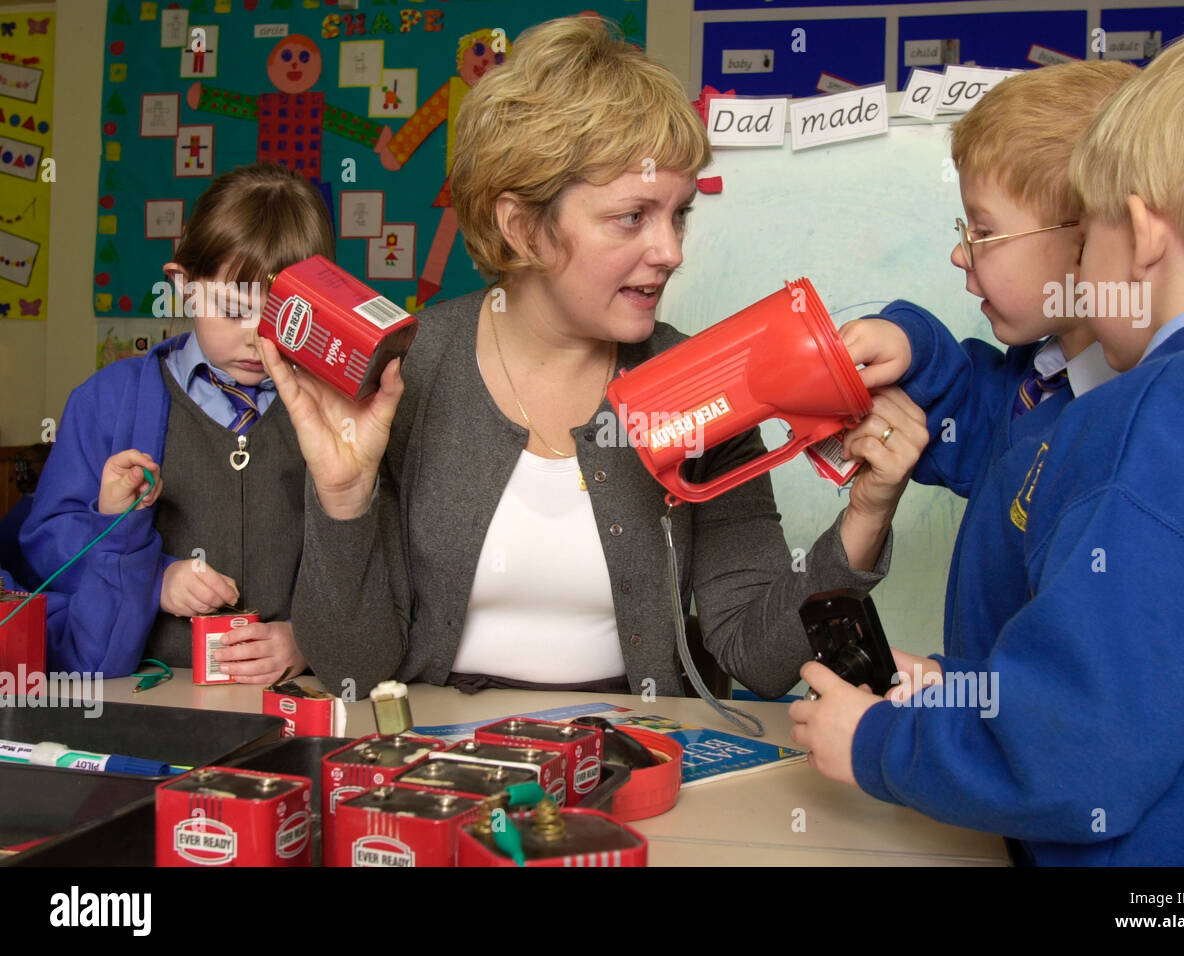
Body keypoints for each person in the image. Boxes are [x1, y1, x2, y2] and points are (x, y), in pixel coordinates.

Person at [263, 16, 927, 700]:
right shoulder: (409, 374)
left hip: (642, 760)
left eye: (679, 215)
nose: (670, 251)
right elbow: (351, 673)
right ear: (520, 226)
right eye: (632, 216)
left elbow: (757, 657)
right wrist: (344, 501)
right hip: (443, 767)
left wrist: (866, 518)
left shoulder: (704, 380)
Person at [792, 12, 1184, 865]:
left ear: (1139, 234)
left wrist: (879, 744)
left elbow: (1082, 751)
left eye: (1091, 223)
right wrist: (965, 692)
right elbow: (1169, 683)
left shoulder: (1157, 415)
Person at [838, 59, 1136, 663]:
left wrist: (956, 697)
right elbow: (968, 402)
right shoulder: (1034, 382)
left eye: (983, 230)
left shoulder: (1129, 432)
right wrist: (910, 345)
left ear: (1086, 242)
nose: (959, 251)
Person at [20, 162, 334, 681]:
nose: (257, 337)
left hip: (288, 692)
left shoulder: (333, 415)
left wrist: (309, 638)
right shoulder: (106, 400)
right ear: (185, 285)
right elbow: (48, 539)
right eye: (233, 309)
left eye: (283, 314)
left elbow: (363, 556)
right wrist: (155, 578)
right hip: (144, 686)